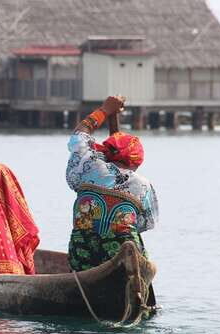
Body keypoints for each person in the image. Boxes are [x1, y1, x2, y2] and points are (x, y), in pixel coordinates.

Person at [66, 95, 158, 305]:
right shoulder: (143, 185)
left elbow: (79, 136)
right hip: (126, 248)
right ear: (136, 162)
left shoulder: (88, 166)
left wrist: (104, 110)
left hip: (83, 252)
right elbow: (144, 224)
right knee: (132, 241)